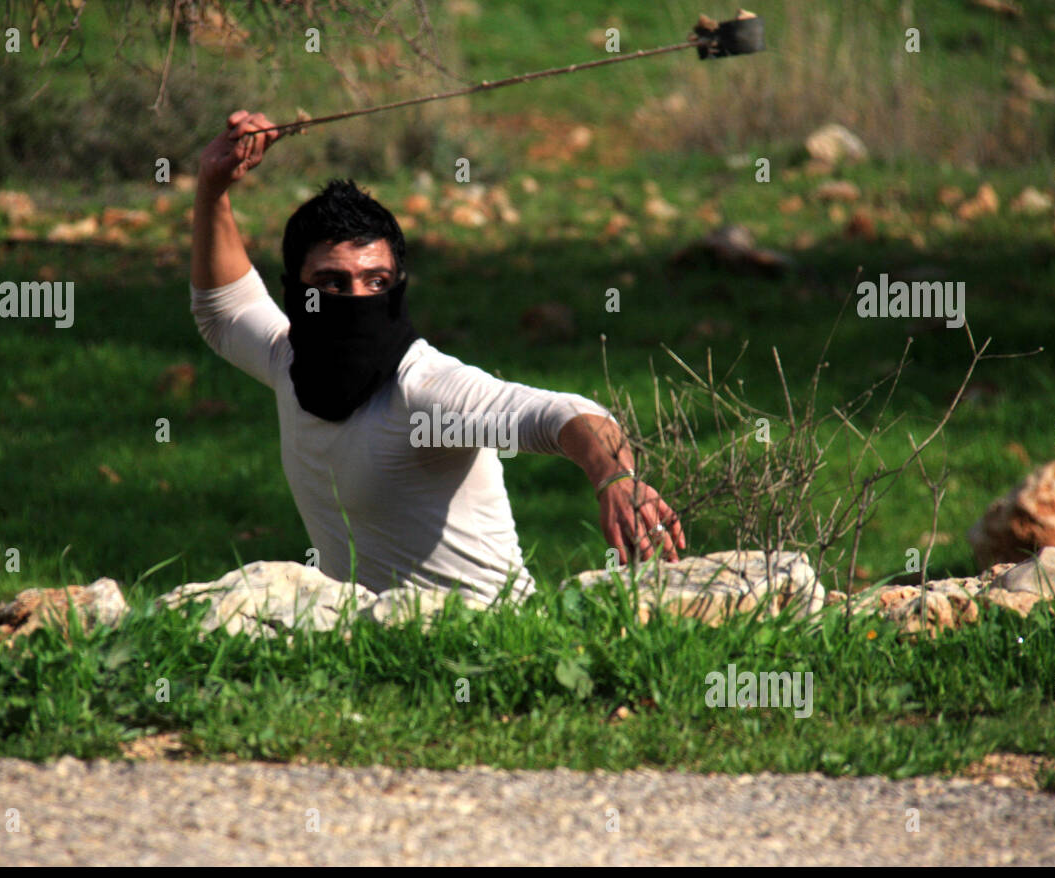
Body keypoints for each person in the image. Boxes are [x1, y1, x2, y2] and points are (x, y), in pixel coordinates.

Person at [189, 110, 685, 605]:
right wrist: (213, 187)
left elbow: (562, 413)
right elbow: (225, 308)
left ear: (397, 289)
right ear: (297, 294)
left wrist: (616, 476)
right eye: (332, 283)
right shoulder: (287, 361)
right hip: (373, 652)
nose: (357, 299)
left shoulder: (424, 393)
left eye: (376, 282)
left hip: (493, 642)